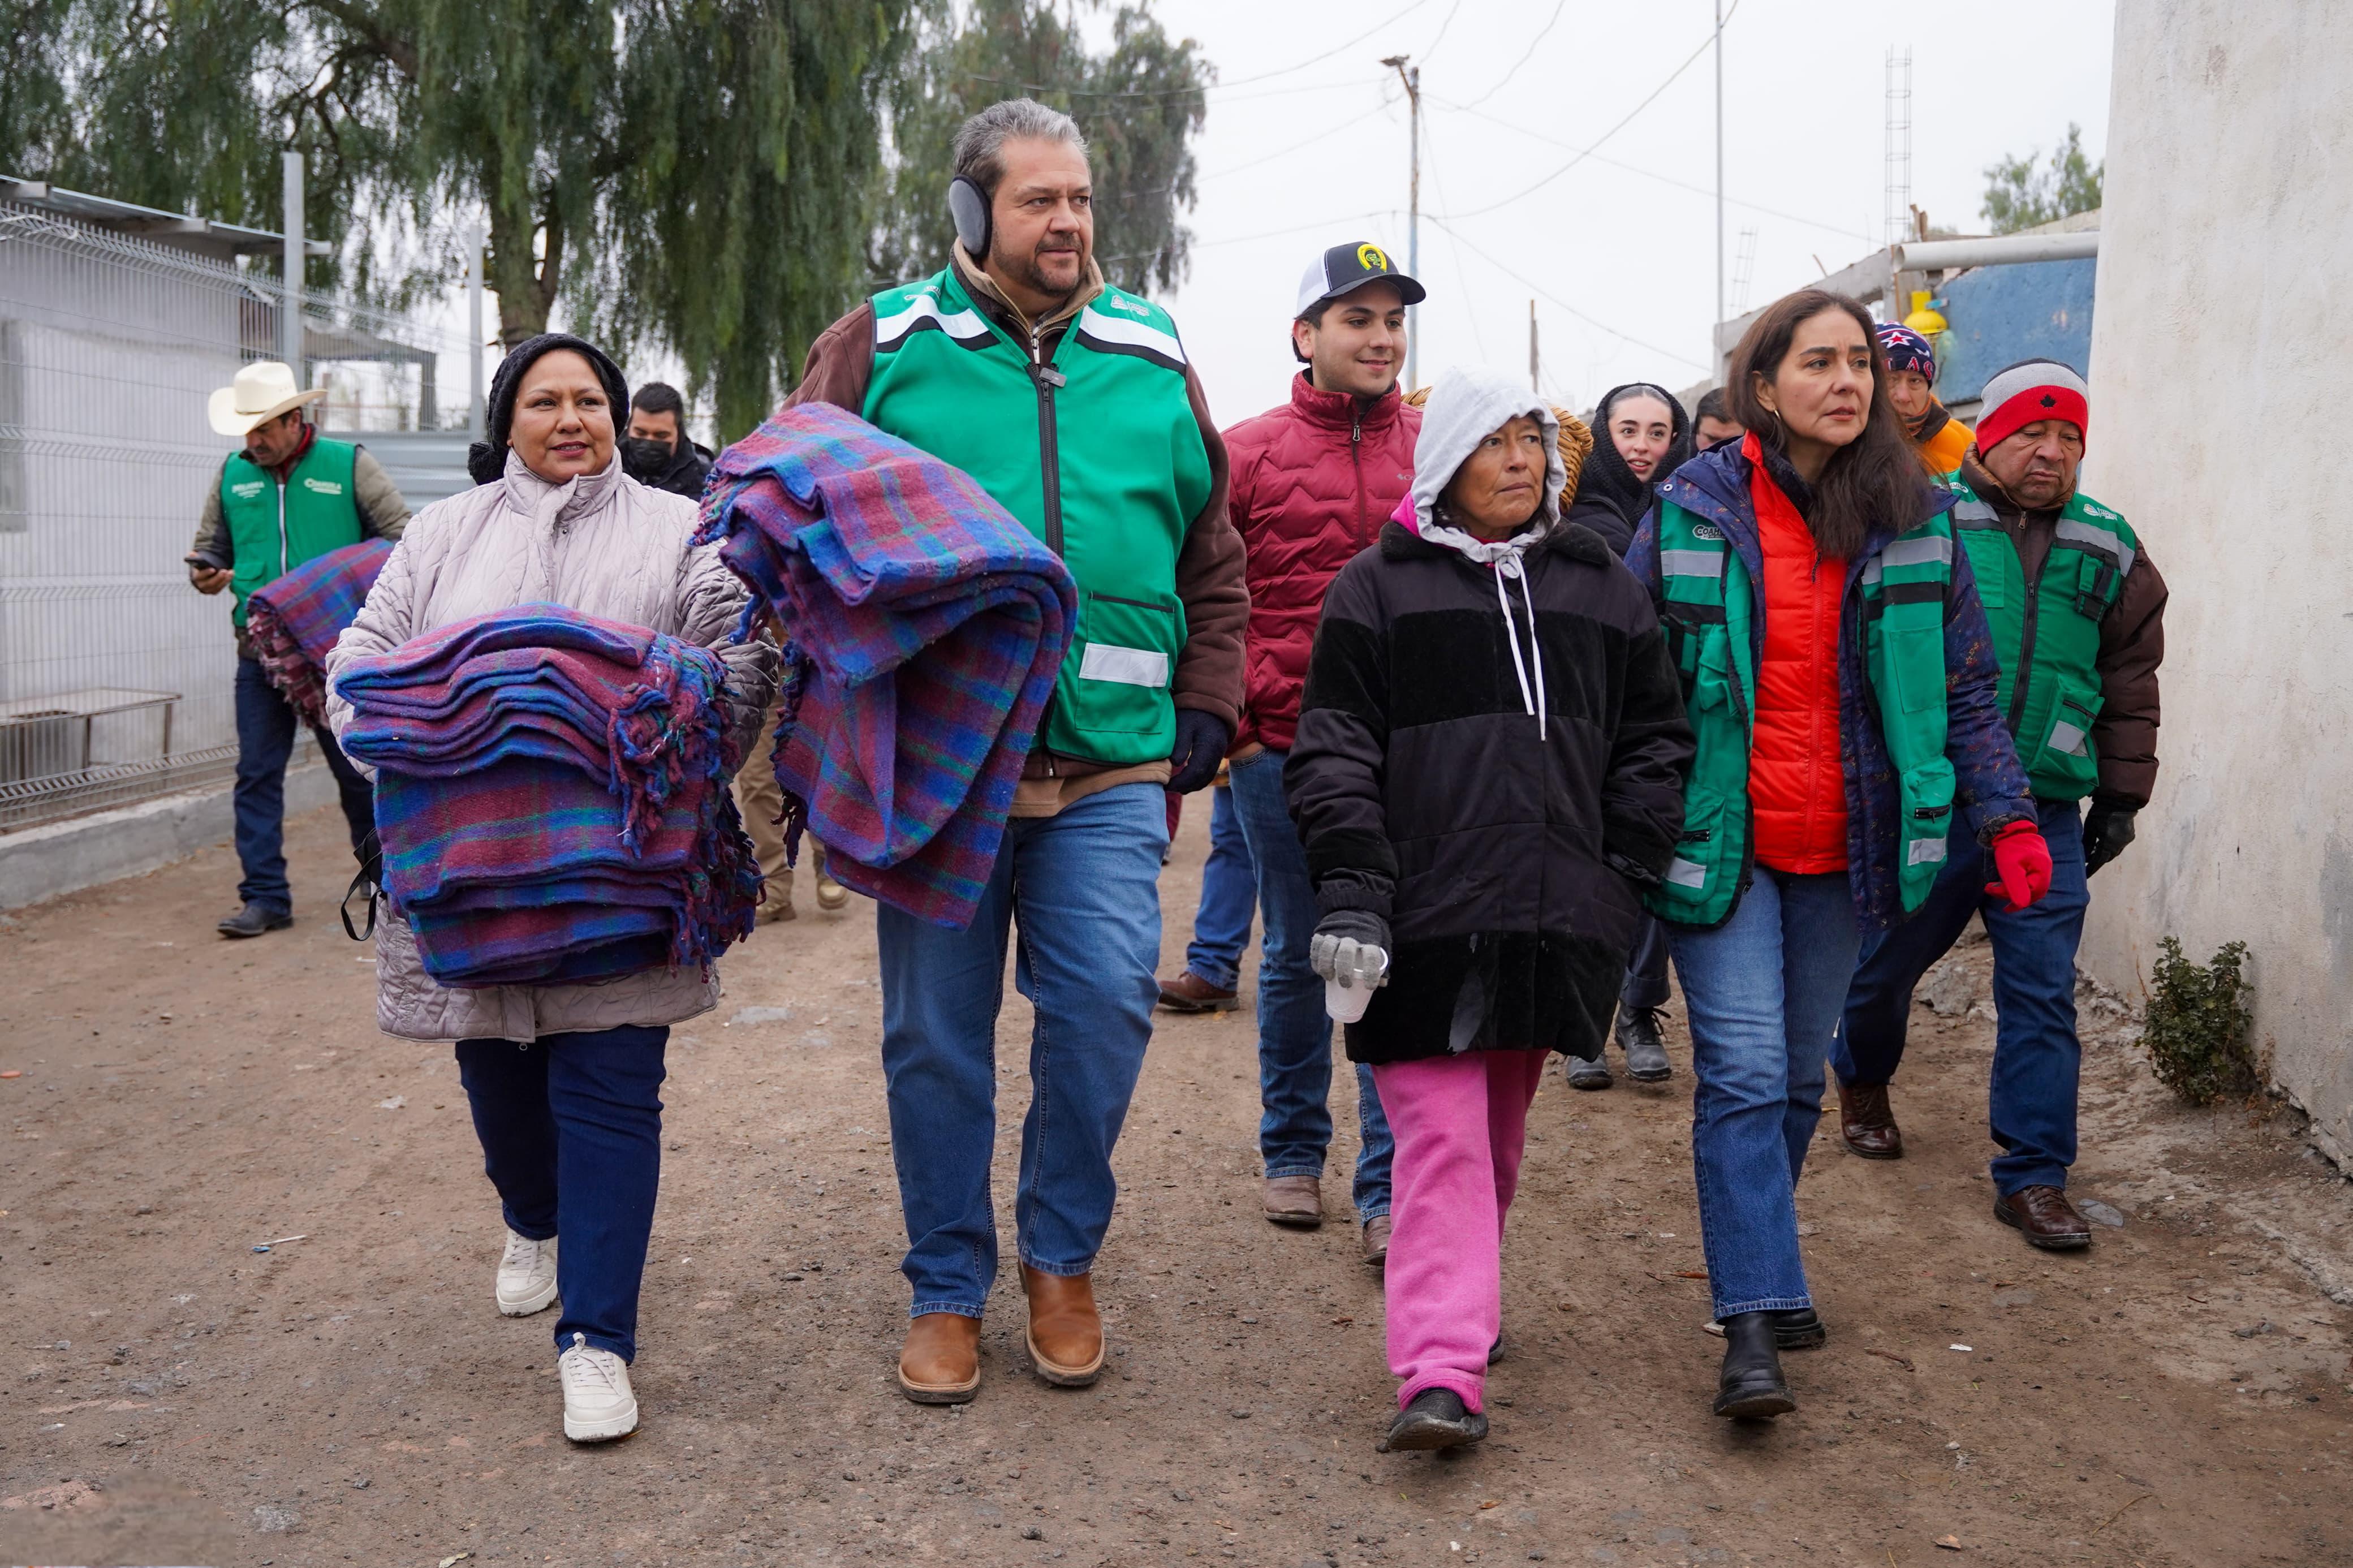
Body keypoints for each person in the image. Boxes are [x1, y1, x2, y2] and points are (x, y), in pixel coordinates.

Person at [785, 99, 1247, 1405]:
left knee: (1102, 1004)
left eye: (1083, 199)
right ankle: (945, 1286)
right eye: (1040, 199)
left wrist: (1207, 702)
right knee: (934, 1038)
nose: (1068, 221)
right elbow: (788, 515)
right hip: (940, 772)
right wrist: (829, 702)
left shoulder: (1149, 353)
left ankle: (1059, 1258)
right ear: (971, 214)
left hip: (1110, 763)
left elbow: (1214, 554)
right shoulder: (885, 344)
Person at [325, 332, 775, 1444]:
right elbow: (362, 661)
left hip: (626, 874)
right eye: (544, 401)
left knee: (613, 1092)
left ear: (619, 418)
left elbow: (738, 658)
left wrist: (672, 731)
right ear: (507, 420)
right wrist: (418, 742)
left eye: (589, 400)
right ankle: (533, 1219)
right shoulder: (440, 533)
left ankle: (598, 1343)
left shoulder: (683, 532)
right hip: (469, 884)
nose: (569, 419)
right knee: (502, 1098)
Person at [1626, 289, 2047, 1421]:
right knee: (1749, 1072)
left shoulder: (1921, 518)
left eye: (1858, 363)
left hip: (1855, 851)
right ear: (1762, 389)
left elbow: (1964, 688)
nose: (1847, 383)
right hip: (1722, 847)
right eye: (1817, 363)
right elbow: (1624, 677)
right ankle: (1752, 1320)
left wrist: (2004, 817)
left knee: (1795, 1079)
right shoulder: (1686, 516)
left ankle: (1760, 1260)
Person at [1288, 367, 1692, 1450]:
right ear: (1445, 461)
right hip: (1415, 919)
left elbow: (1658, 736)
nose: (1520, 459)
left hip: (1555, 915)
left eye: (1531, 439)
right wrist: (1356, 893)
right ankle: (1441, 1368)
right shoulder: (1375, 589)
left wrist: (1624, 871)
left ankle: (1459, 1295)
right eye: (1493, 442)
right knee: (1444, 1145)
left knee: (1497, 1144)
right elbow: (1332, 752)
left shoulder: (1599, 584)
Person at [1835, 360, 2165, 1250]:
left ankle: (2033, 1175)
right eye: (2033, 434)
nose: (2051, 453)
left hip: (2046, 810)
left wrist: (2122, 796)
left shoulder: (2110, 543)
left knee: (2042, 994)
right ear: (1988, 435)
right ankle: (1861, 1075)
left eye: (2069, 440)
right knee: (1882, 969)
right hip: (1933, 805)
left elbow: (2131, 678)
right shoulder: (1923, 518)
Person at [1217, 241, 1427, 1252]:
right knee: (1304, 953)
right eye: (1358, 319)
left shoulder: (1439, 447)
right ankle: (1294, 1152)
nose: (1381, 337)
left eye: (1393, 320)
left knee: (1397, 956)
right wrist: (1238, 723)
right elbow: (1202, 597)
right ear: (1307, 337)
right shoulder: (1246, 451)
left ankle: (1389, 1186)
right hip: (1283, 749)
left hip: (1415, 752)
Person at [191, 359, 408, 938]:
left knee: (357, 769)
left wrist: (326, 588)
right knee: (256, 775)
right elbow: (208, 551)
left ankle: (385, 880)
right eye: (247, 429)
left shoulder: (349, 466)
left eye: (262, 428)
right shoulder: (232, 476)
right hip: (258, 655)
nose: (252, 441)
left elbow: (399, 538)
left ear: (293, 419)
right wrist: (207, 574)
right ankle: (265, 897)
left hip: (335, 655)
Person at [1561, 382, 1693, 1091]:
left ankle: (1639, 1010)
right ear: (1600, 434)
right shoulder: (1578, 513)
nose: (1642, 446)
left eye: (1657, 431)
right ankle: (1582, 1020)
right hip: (1591, 718)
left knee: (1654, 862)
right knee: (1591, 867)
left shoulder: (1697, 512)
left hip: (1671, 716)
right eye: (1626, 430)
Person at [1156, 768, 1256, 1011]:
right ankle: (1214, 970)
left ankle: (1308, 978)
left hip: (1319, 746)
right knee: (1232, 842)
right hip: (1252, 742)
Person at [1874, 324, 1972, 476]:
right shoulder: (1843, 442)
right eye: (1890, 380)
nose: (1903, 396)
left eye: (1915, 381)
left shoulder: (1967, 444)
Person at [620, 380, 713, 498]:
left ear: (678, 432)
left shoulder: (707, 479)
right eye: (641, 433)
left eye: (661, 435)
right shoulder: (604, 465)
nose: (649, 441)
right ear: (629, 427)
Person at [1693, 386, 1744, 452]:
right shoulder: (1678, 458)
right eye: (1712, 438)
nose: (1721, 449)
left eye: (1732, 441)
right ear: (1696, 430)